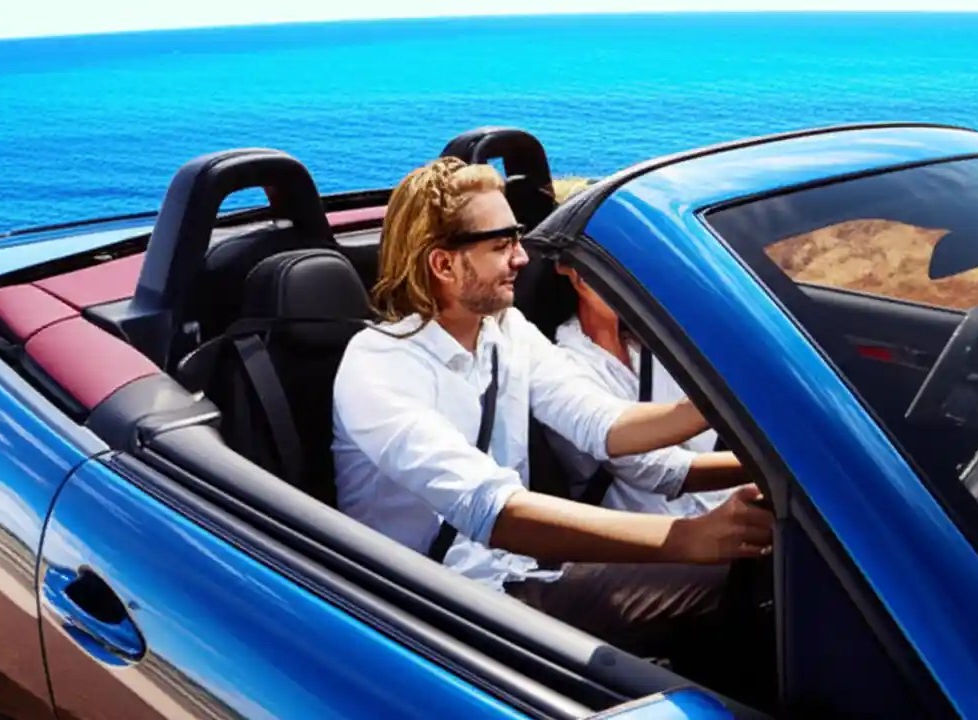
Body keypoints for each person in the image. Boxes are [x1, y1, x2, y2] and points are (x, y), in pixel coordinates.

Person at [331, 157, 773, 693]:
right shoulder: (378, 365)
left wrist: (727, 397)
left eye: (516, 238)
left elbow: (604, 425)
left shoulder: (506, 331)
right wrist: (686, 538)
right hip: (440, 613)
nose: (522, 257)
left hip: (522, 577)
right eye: (500, 245)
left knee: (767, 577)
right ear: (443, 265)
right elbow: (492, 511)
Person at [547, 261, 742, 516]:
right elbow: (653, 469)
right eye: (613, 271)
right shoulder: (562, 367)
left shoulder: (655, 342)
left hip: (726, 511)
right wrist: (772, 469)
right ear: (575, 275)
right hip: (653, 541)